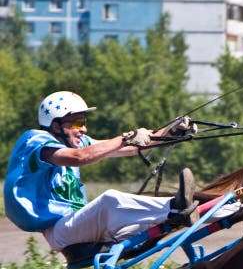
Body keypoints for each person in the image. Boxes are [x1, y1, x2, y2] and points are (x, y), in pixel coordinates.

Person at [4, 90, 198, 252]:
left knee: (137, 218)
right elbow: (80, 158)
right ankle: (175, 207)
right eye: (78, 123)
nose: (85, 129)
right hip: (60, 231)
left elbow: (131, 148)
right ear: (56, 125)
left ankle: (216, 210)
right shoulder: (36, 141)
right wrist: (126, 137)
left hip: (80, 225)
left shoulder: (79, 143)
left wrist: (170, 133)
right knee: (109, 200)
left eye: (84, 122)